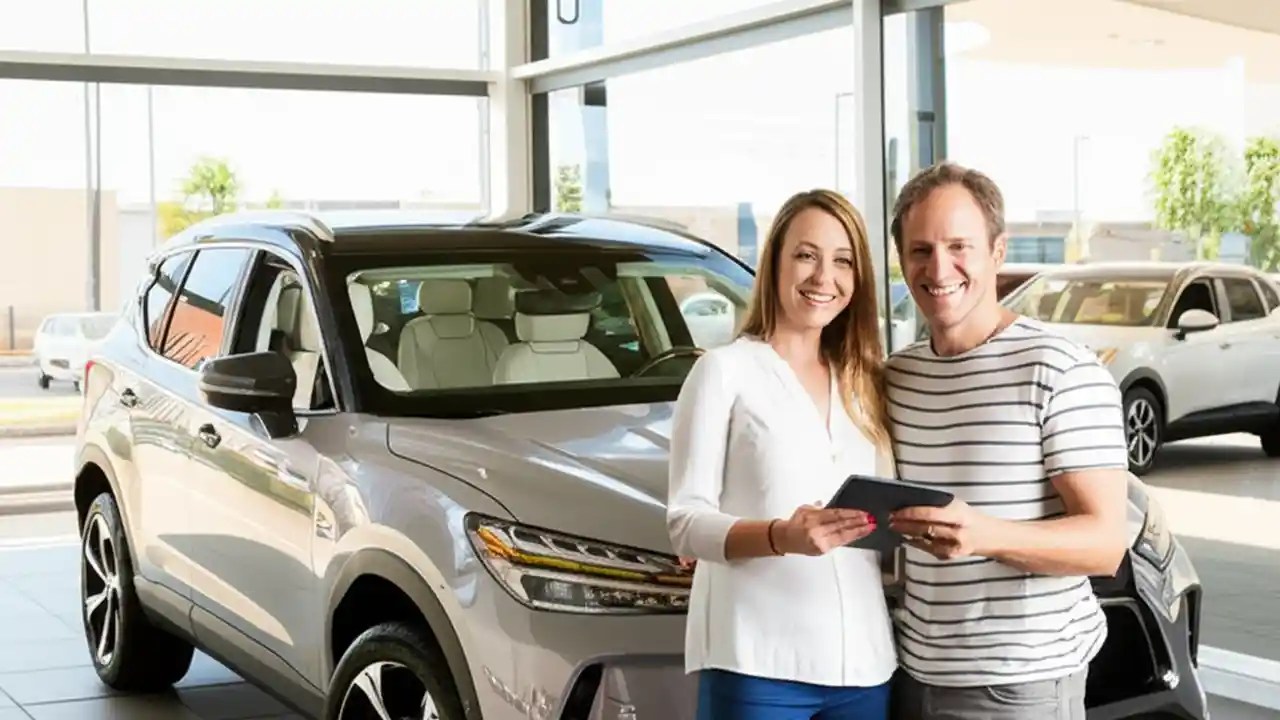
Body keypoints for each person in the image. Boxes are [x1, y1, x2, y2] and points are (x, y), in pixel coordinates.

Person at [881, 161, 1130, 719]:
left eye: (958, 246)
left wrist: (984, 534)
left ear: (997, 253)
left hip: (1020, 686)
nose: (938, 267)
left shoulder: (1060, 368)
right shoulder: (898, 376)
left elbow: (1105, 543)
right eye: (920, 250)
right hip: (911, 673)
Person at [667, 188, 900, 720]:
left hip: (864, 665)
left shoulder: (865, 384)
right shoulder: (724, 371)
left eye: (842, 261)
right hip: (758, 663)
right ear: (774, 263)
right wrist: (781, 536)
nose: (824, 278)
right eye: (806, 255)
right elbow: (683, 523)